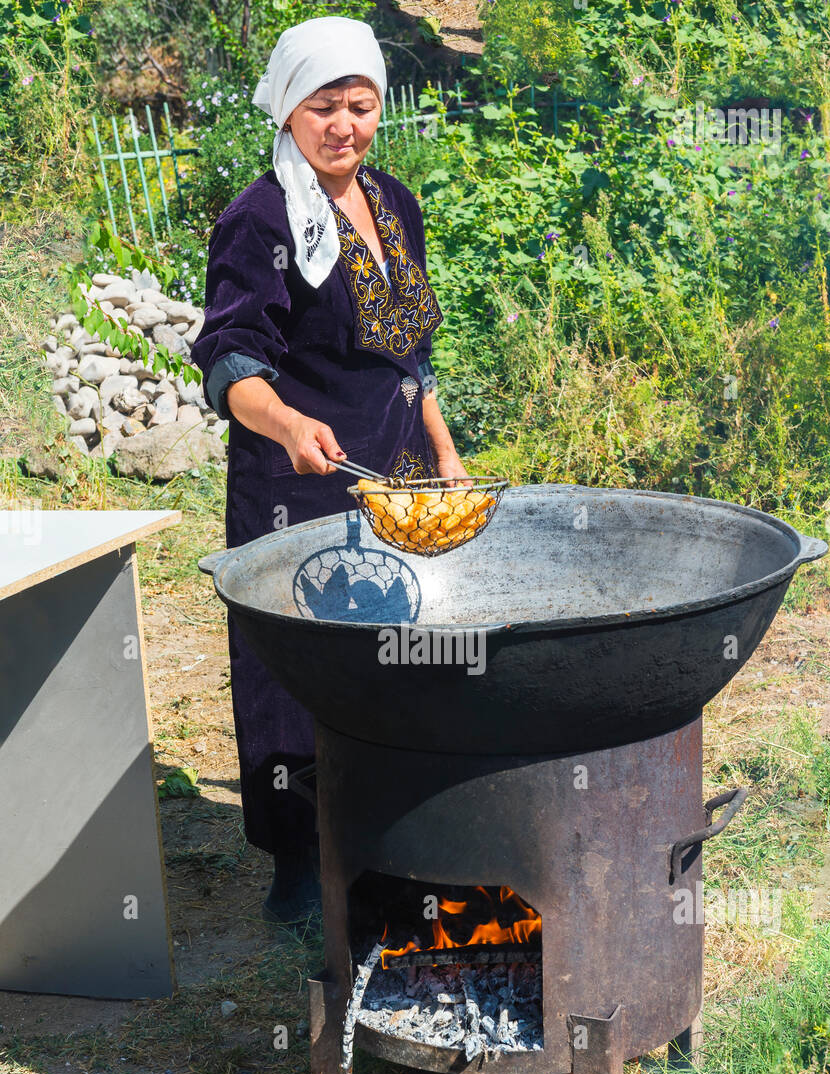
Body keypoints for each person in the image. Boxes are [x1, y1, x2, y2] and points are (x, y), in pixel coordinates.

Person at [190, 15, 467, 924]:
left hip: (384, 475)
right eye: (324, 107)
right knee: (292, 665)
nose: (343, 125)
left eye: (360, 105)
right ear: (288, 110)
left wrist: (443, 452)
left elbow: (409, 352)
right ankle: (296, 861)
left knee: (383, 652)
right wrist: (286, 421)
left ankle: (379, 833)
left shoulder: (393, 204)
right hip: (293, 483)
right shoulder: (257, 219)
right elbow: (230, 357)